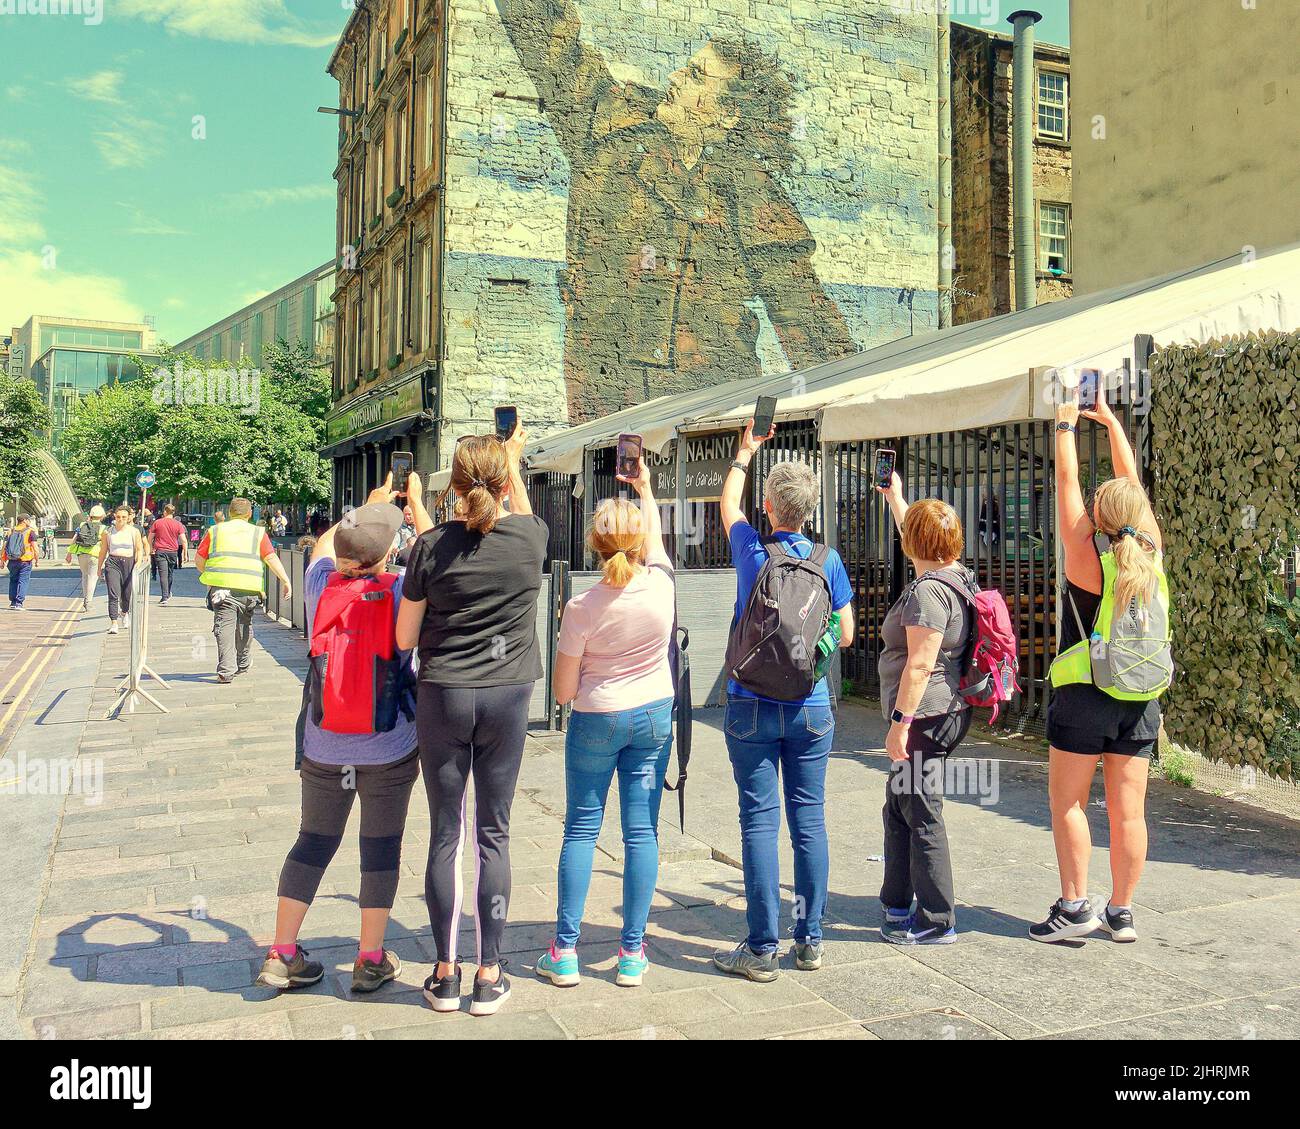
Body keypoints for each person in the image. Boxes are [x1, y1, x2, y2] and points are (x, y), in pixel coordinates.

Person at [257, 474, 434, 995]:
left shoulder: (319, 586)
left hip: (324, 742)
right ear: (388, 554)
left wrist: (366, 506)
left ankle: (283, 952)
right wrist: (408, 506)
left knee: (312, 841)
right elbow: (433, 557)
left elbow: (323, 544)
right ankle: (369, 958)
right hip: (390, 745)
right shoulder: (403, 589)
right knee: (380, 847)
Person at [396, 423, 547, 1017]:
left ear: (453, 487)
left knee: (445, 832)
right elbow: (525, 520)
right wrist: (513, 465)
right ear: (507, 484)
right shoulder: (530, 538)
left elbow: (404, 636)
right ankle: (490, 974)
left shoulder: (429, 548)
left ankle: (444, 973)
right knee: (494, 833)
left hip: (445, 694)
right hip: (508, 695)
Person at [711, 422, 855, 981]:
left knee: (758, 821)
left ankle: (762, 946)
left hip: (749, 701)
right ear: (812, 508)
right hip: (810, 706)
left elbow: (727, 502)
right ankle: (811, 939)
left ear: (768, 506)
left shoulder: (750, 548)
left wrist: (745, 452)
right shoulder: (829, 561)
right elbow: (842, 637)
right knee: (809, 820)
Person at [1031, 396, 1169, 944]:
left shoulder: (1084, 557)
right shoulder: (1151, 553)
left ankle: (1074, 907)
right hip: (1141, 695)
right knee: (1128, 811)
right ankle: (1123, 911)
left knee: (1069, 802)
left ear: (1099, 518)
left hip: (1085, 695)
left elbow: (1067, 481)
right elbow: (1130, 487)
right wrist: (1112, 423)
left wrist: (1065, 422)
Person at [536, 456, 674, 991]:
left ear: (593, 544)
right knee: (641, 832)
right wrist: (645, 489)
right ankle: (632, 954)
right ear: (639, 545)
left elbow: (564, 692)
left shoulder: (580, 606)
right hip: (653, 716)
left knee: (581, 829)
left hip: (596, 719)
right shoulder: (662, 589)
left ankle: (565, 951)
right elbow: (658, 546)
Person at [875, 476, 978, 945]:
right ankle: (896, 902)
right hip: (945, 711)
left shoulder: (927, 594)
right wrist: (897, 500)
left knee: (922, 810)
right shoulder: (955, 575)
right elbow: (921, 542)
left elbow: (919, 665)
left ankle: (938, 920)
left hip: (925, 716)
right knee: (900, 806)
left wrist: (900, 724)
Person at [194, 497, 292, 683]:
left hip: (222, 587)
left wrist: (210, 573)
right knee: (244, 624)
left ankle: (225, 670)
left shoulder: (215, 531)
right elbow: (271, 558)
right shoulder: (257, 533)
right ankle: (244, 661)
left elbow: (199, 559)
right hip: (249, 588)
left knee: (224, 626)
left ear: (230, 513)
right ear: (249, 514)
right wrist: (285, 580)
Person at [97, 505, 146, 634]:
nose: (121, 519)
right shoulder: (108, 532)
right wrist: (99, 567)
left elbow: (139, 549)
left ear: (128, 517)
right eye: (118, 517)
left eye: (124, 517)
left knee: (127, 594)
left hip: (129, 563)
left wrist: (138, 563)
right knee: (113, 594)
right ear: (115, 517)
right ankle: (114, 622)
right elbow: (103, 551)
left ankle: (124, 612)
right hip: (113, 562)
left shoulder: (134, 531)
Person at [65, 504, 106, 612]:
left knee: (85, 576)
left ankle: (85, 599)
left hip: (81, 553)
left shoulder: (82, 524)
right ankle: (88, 601)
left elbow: (75, 538)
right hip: (95, 554)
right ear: (102, 516)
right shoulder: (103, 528)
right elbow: (106, 543)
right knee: (93, 577)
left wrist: (69, 553)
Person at [148, 503, 187, 606]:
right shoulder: (178, 524)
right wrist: (185, 553)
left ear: (165, 512)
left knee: (162, 574)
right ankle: (167, 592)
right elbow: (184, 540)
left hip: (160, 551)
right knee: (170, 573)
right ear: (173, 513)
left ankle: (165, 596)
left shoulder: (157, 523)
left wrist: (151, 548)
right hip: (173, 552)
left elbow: (150, 537)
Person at [2, 514, 39, 610]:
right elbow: (35, 547)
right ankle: (19, 603)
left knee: (13, 580)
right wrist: (37, 560)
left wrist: (2, 560)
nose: (30, 522)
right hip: (25, 561)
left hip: (12, 560)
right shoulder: (30, 532)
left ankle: (13, 602)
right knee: (23, 581)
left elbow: (4, 546)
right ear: (25, 520)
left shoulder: (11, 531)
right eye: (29, 520)